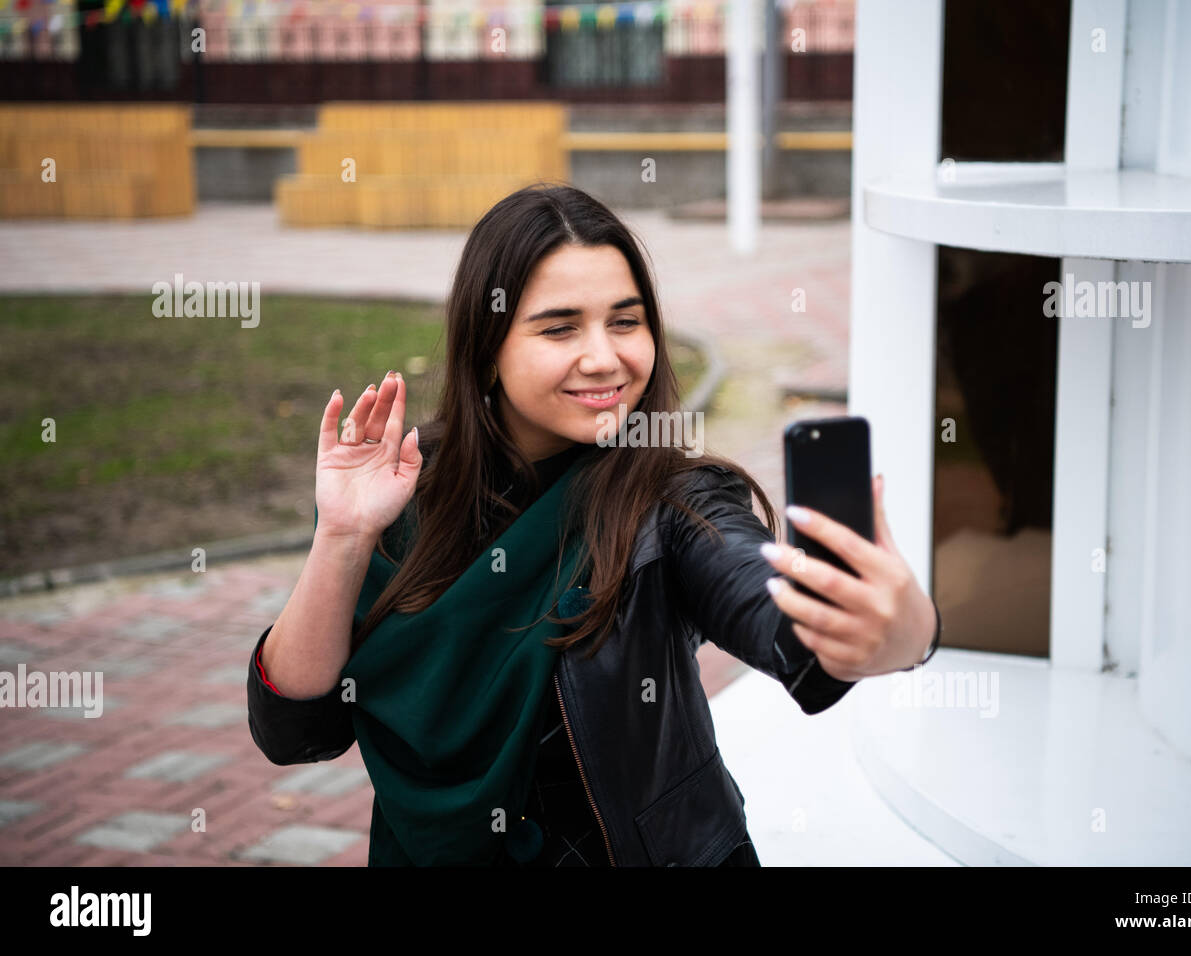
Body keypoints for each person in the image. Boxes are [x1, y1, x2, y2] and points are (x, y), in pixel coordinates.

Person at [246, 182, 941, 867]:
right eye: (560, 327)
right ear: (487, 345)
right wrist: (341, 535)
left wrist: (902, 626)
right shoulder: (398, 484)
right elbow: (295, 731)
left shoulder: (669, 501)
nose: (605, 357)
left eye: (626, 321)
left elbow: (777, 617)